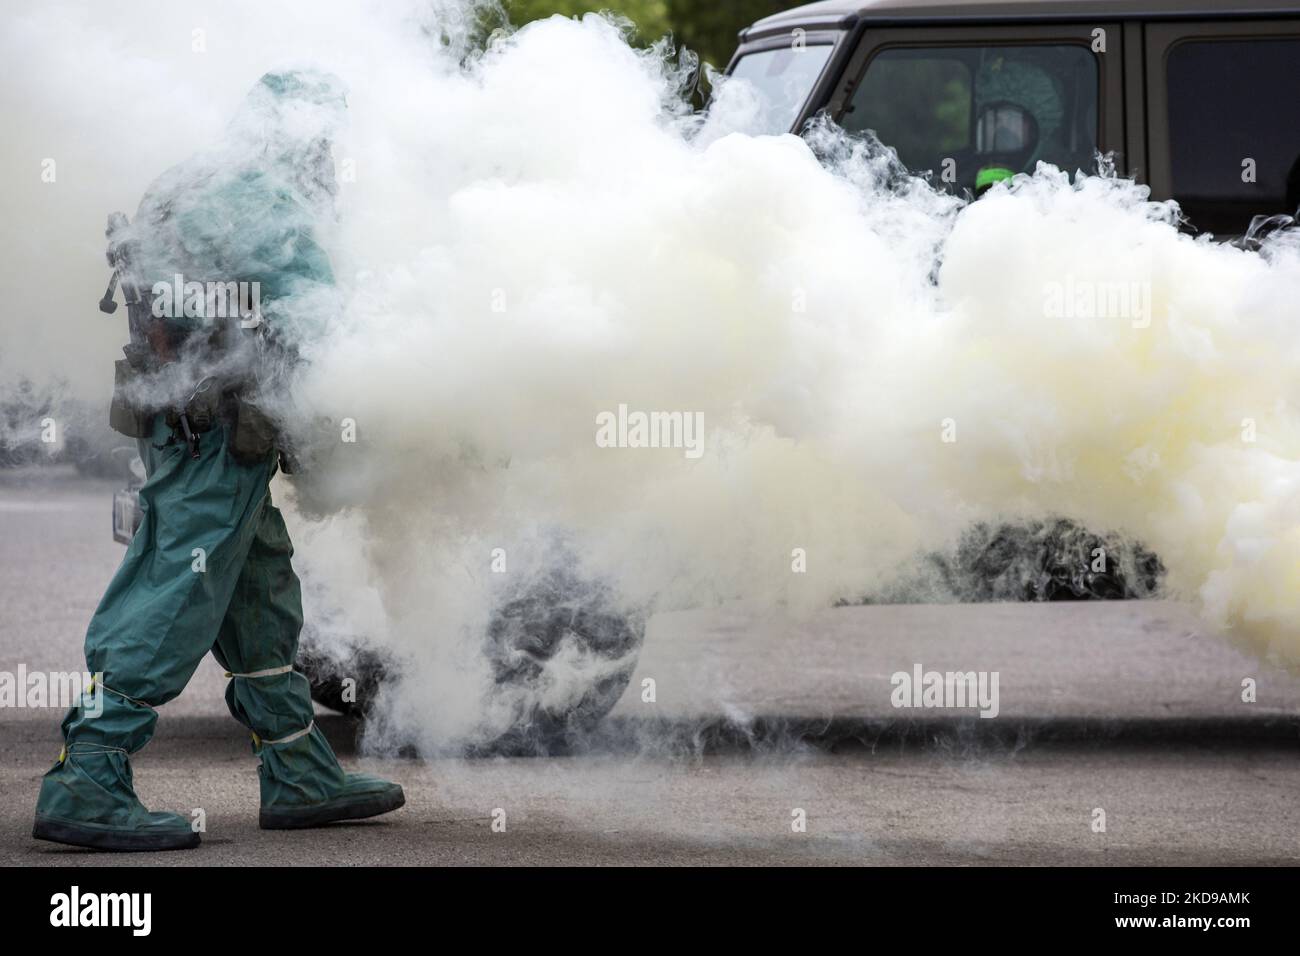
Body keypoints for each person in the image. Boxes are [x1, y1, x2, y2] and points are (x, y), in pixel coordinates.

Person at [33, 70, 404, 852]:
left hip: (189, 418)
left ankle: (299, 768)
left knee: (257, 587)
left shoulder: (194, 179)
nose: (331, 160)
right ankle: (88, 772)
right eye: (325, 142)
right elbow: (319, 321)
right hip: (217, 427)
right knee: (174, 585)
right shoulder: (268, 200)